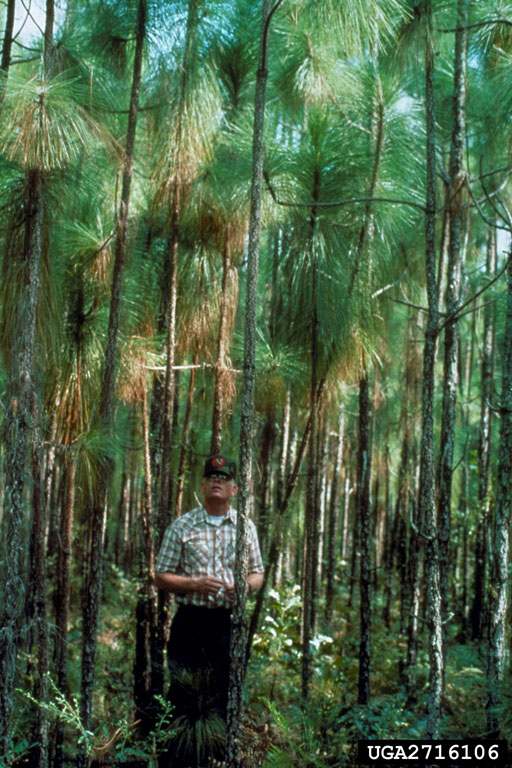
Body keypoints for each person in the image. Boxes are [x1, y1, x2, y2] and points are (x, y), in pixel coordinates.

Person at [154, 453, 264, 765]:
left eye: (225, 478)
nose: (218, 481)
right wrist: (193, 584)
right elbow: (160, 576)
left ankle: (219, 755)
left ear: (234, 489)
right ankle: (178, 756)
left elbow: (258, 573)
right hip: (190, 622)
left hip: (226, 625)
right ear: (203, 485)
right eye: (212, 477)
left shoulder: (245, 528)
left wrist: (243, 587)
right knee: (182, 692)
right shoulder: (183, 526)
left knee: (224, 691)